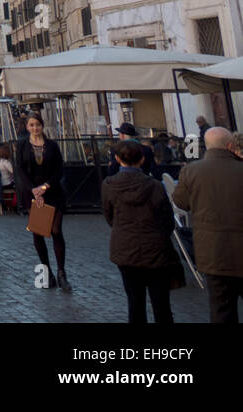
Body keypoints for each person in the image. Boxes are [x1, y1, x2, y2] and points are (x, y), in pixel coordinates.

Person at [173, 126, 243, 323]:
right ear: (230, 145)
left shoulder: (191, 171)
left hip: (213, 252)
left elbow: (180, 202)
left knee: (221, 308)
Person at [103, 140, 177, 323]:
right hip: (155, 248)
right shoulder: (155, 186)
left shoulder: (109, 184)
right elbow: (167, 220)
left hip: (126, 248)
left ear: (118, 159)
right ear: (142, 159)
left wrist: (123, 228)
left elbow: (109, 215)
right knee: (161, 304)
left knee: (135, 303)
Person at [16, 112, 69, 290]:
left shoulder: (52, 145)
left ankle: (62, 272)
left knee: (56, 231)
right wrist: (33, 189)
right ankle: (47, 272)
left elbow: (60, 169)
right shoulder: (22, 145)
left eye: (37, 124)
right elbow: (20, 170)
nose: (35, 128)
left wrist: (45, 186)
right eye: (31, 125)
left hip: (52, 192)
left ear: (42, 125)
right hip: (33, 194)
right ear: (27, 127)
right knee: (38, 233)